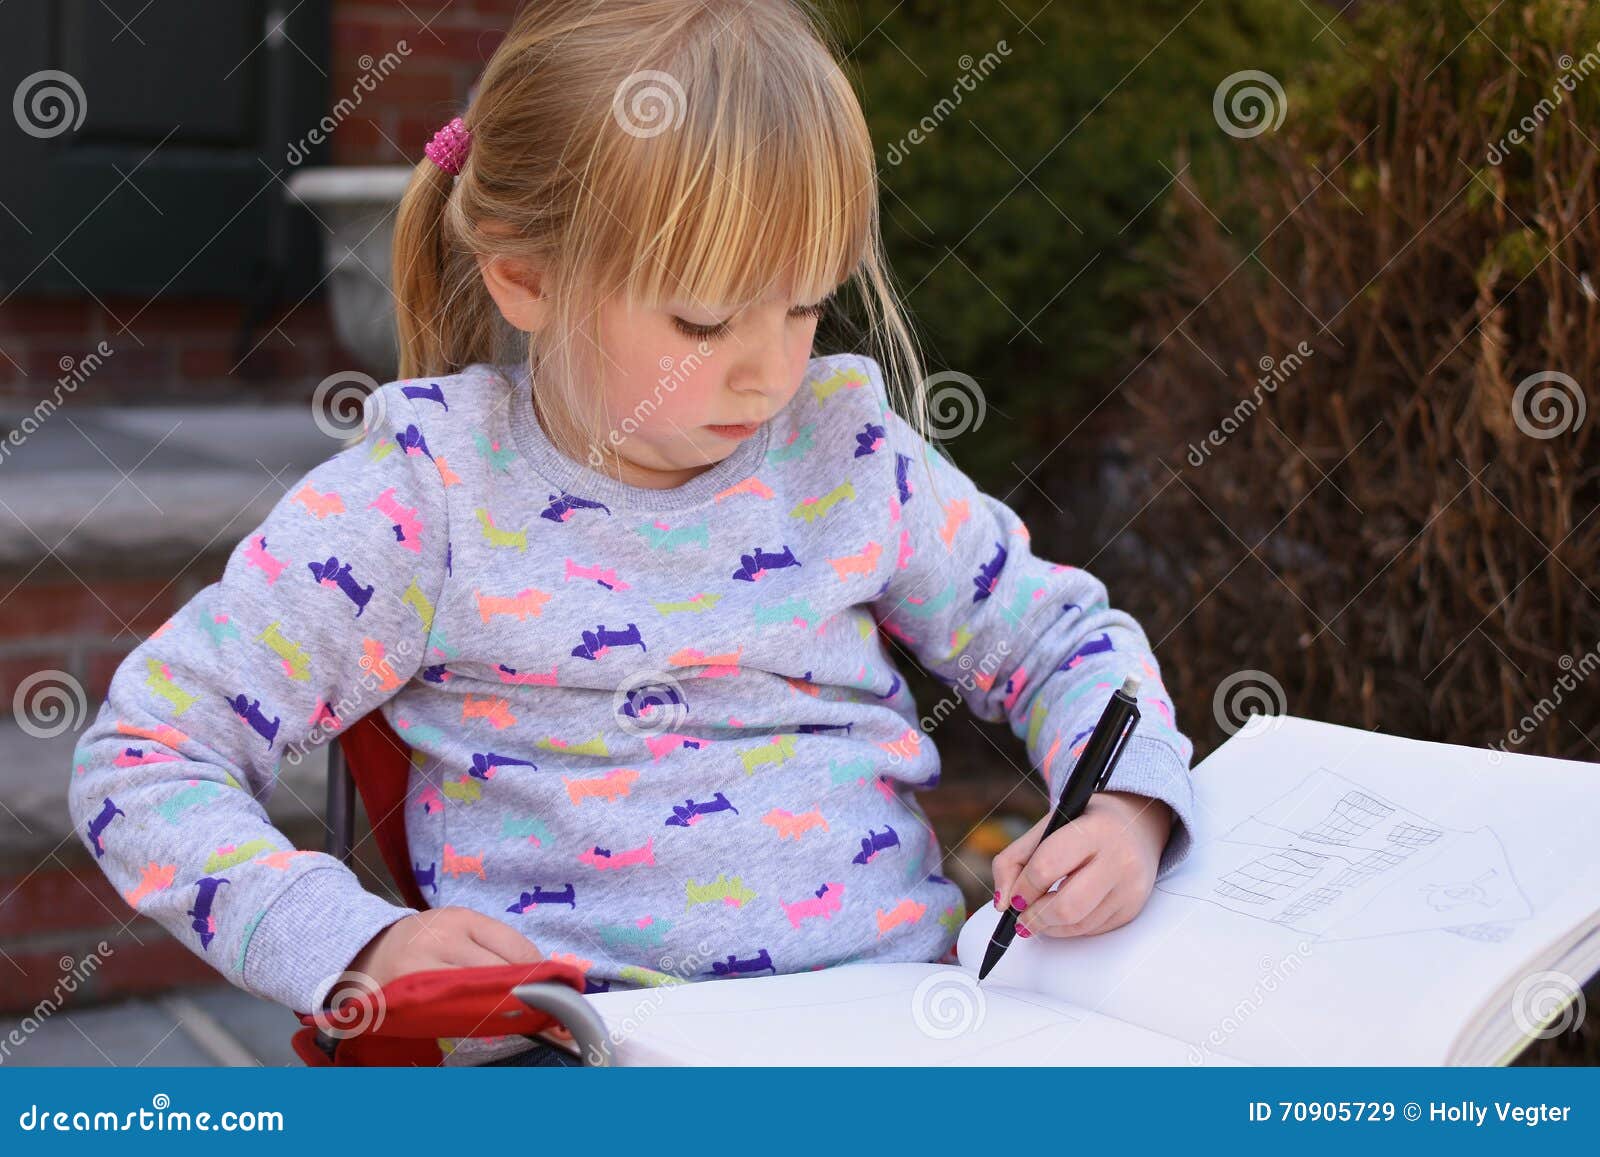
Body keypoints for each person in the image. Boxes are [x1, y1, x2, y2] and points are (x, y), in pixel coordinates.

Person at [68, 0, 1197, 1067]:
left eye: (804, 303)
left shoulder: (847, 454)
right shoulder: (428, 498)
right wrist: (348, 939)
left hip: (891, 1025)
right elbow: (146, 756)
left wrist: (1125, 800)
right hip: (581, 1052)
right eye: (703, 319)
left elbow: (1056, 638)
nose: (767, 370)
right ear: (525, 278)